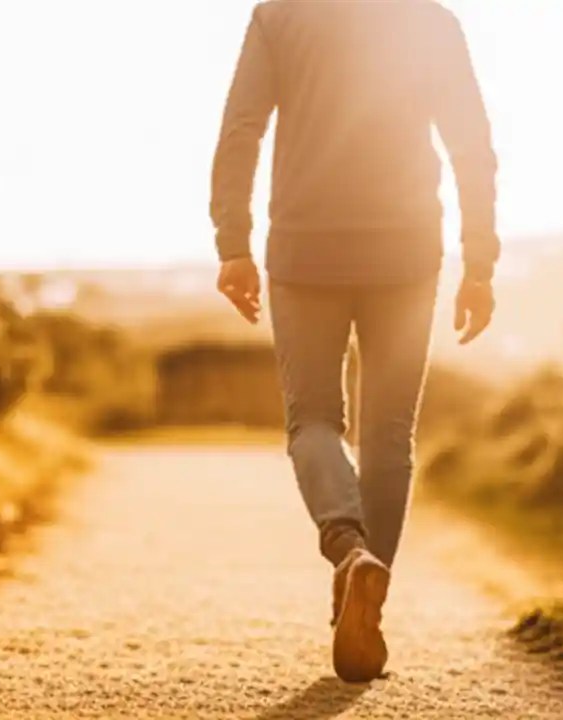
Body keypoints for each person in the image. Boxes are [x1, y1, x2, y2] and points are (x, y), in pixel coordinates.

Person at [209, 0, 498, 683]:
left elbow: (241, 130)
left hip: (305, 251)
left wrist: (233, 244)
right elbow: (471, 144)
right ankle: (368, 601)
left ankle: (348, 553)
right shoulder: (429, 20)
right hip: (407, 252)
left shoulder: (280, 17)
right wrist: (480, 262)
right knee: (389, 434)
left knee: (312, 420)